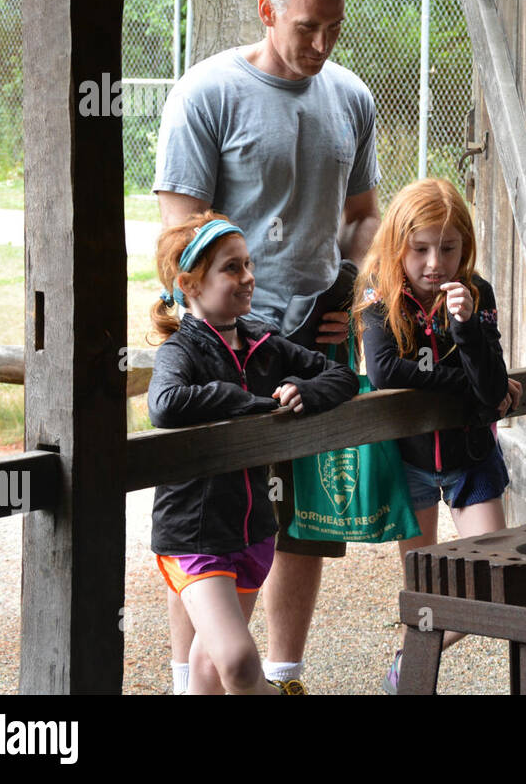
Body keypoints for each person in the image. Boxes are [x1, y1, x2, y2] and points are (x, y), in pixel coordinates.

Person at [152, 0, 381, 694]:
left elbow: (361, 217)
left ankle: (283, 673)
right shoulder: (205, 93)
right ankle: (193, 682)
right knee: (211, 521)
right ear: (267, 11)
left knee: (303, 517)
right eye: (307, 28)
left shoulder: (351, 96)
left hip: (316, 341)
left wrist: (350, 293)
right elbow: (181, 235)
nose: (321, 45)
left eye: (333, 30)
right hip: (232, 344)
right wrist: (211, 325)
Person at [147, 212, 359, 695]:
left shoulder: (265, 342)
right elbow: (164, 405)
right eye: (231, 268)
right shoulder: (182, 351)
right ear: (190, 284)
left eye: (248, 264)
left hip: (254, 531)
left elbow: (339, 376)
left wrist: (304, 389)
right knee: (241, 663)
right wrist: (249, 402)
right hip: (195, 536)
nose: (248, 278)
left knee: (208, 672)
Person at [355, 178, 522, 694]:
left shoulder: (476, 293)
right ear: (398, 245)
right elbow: (385, 371)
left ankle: (410, 654)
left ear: (464, 246)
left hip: (470, 454)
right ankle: (413, 679)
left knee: (500, 580)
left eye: (448, 249)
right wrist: (472, 391)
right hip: (410, 463)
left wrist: (468, 327)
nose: (435, 263)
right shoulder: (378, 294)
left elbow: (494, 383)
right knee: (425, 591)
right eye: (421, 249)